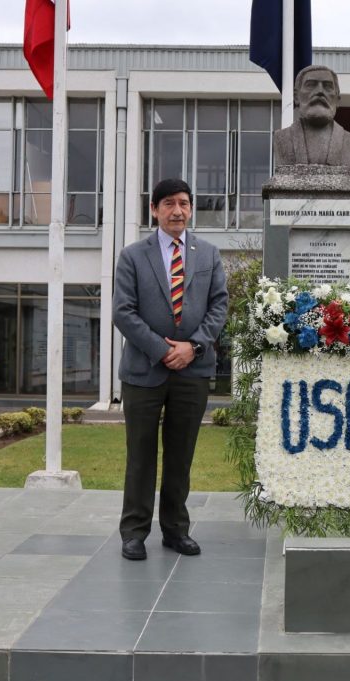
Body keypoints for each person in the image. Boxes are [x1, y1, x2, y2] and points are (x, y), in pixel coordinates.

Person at [113, 178, 228, 561]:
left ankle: (176, 530)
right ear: (154, 209)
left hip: (192, 371)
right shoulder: (132, 256)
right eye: (168, 204)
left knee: (181, 456)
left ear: (190, 208)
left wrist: (193, 347)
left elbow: (219, 306)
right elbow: (123, 312)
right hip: (143, 372)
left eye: (183, 203)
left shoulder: (208, 254)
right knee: (140, 456)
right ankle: (134, 533)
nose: (177, 211)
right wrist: (163, 350)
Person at [272, 64, 350, 167]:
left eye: (327, 86)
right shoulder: (282, 139)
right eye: (311, 85)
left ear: (337, 99)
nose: (320, 91)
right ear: (296, 97)